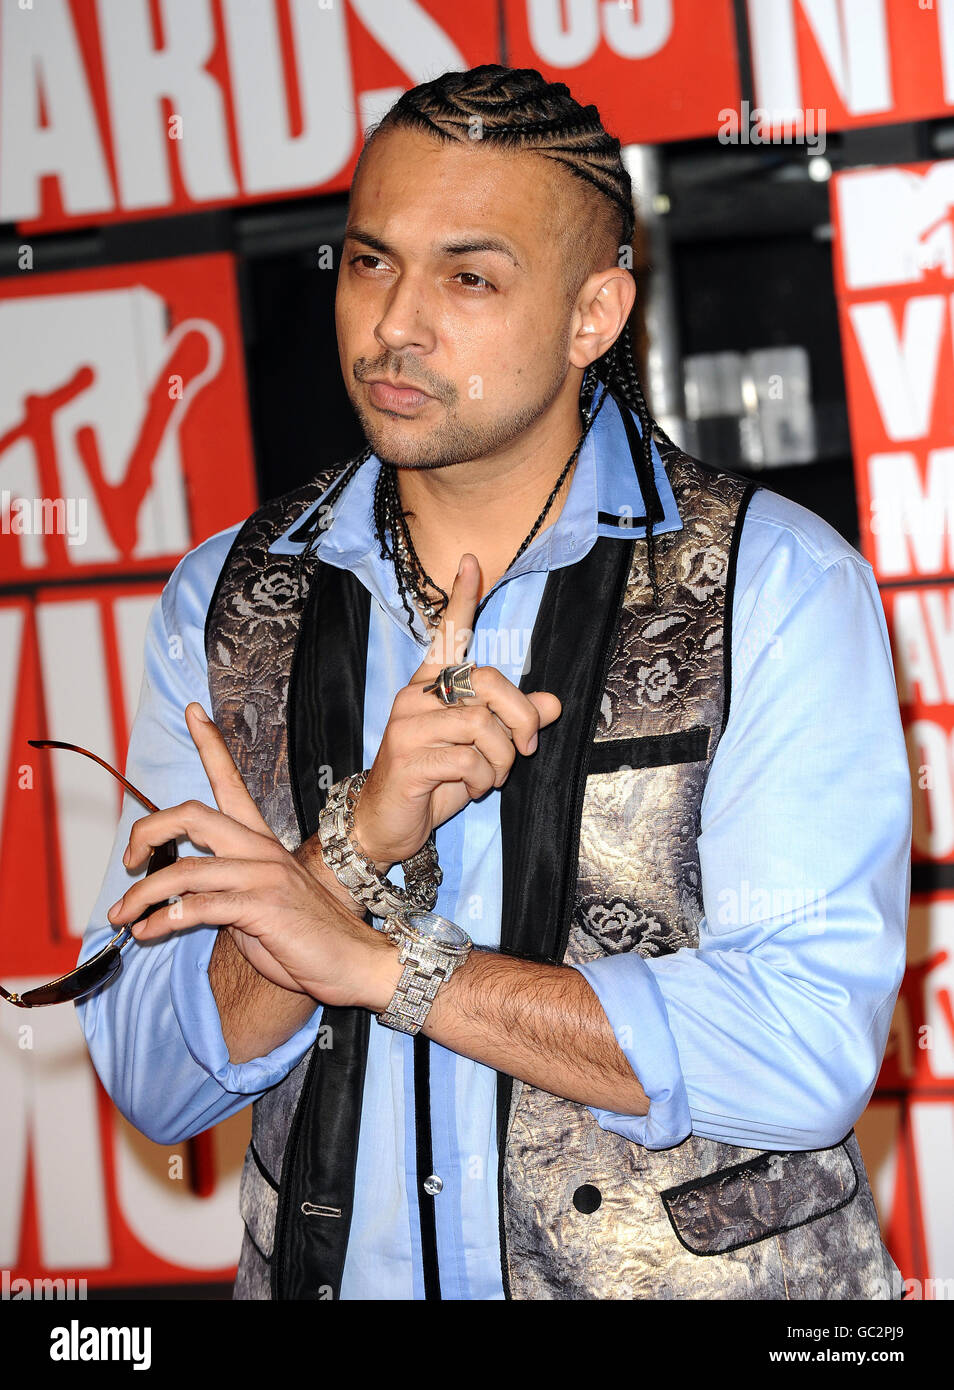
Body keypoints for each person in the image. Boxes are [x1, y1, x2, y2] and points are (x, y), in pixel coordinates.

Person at [78, 65, 911, 1301]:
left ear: (594, 314)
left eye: (469, 278)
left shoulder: (771, 583)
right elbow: (152, 1070)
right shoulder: (228, 600)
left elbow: (802, 1048)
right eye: (369, 264)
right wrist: (350, 847)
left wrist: (385, 967)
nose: (394, 324)